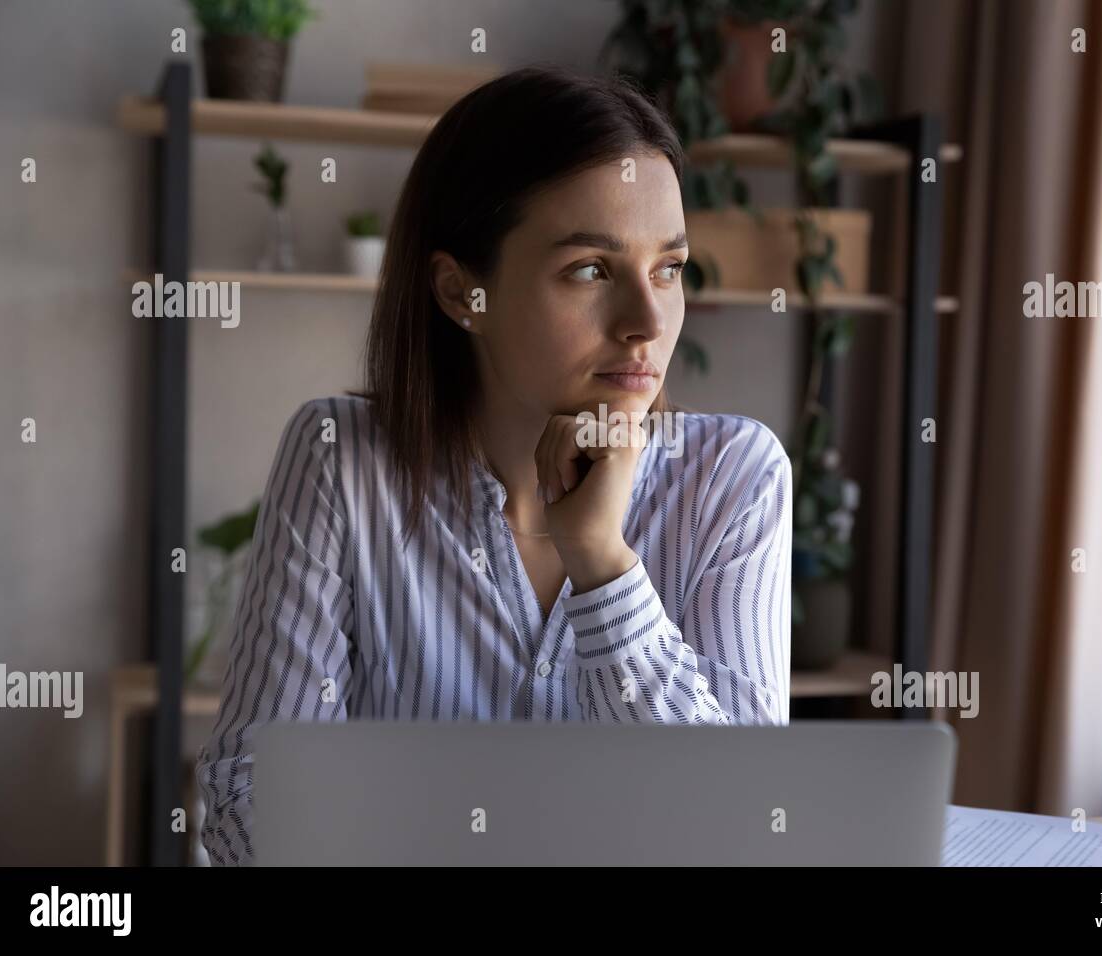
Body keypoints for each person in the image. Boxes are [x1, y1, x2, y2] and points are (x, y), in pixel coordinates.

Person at [195, 64, 792, 866]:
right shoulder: (343, 463)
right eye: (590, 269)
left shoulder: (733, 476)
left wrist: (603, 567)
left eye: (670, 269)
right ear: (458, 292)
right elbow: (246, 813)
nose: (648, 321)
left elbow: (753, 831)